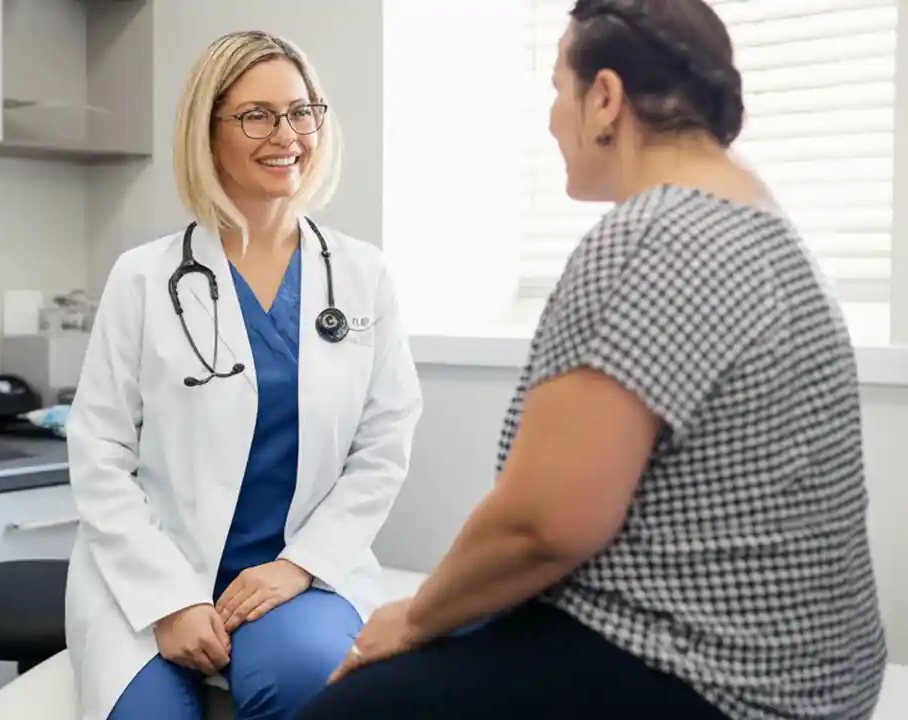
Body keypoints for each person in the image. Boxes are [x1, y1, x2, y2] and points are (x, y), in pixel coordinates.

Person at [298, 1, 888, 719]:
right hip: (820, 676)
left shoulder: (652, 236)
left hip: (717, 683)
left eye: (556, 89)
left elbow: (544, 526)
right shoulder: (766, 225)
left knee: (348, 707)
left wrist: (416, 615)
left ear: (604, 97)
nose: (550, 118)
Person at [63, 30, 423, 720]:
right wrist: (170, 598)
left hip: (302, 574)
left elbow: (383, 448)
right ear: (208, 130)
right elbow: (100, 455)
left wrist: (299, 565)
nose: (285, 134)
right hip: (153, 573)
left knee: (303, 686)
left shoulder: (362, 274)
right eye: (256, 114)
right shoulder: (144, 277)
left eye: (302, 111)